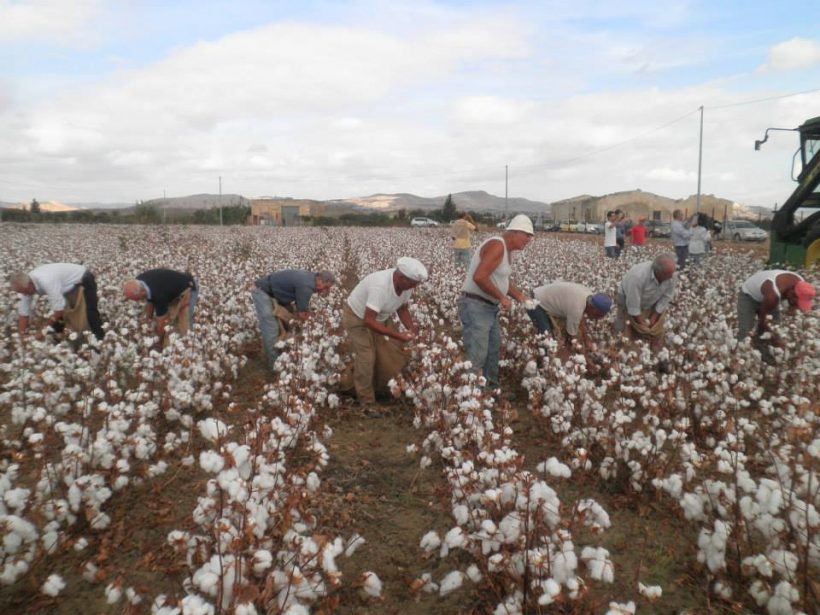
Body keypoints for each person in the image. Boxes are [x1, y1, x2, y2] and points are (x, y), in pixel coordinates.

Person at [459, 214, 533, 389]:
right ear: (515, 232)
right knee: (477, 354)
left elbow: (502, 280)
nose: (528, 240)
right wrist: (501, 297)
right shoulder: (497, 245)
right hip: (476, 306)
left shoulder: (506, 250)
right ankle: (469, 396)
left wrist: (520, 296)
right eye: (526, 235)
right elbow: (479, 277)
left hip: (488, 308)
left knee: (493, 350)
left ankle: (490, 390)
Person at [343, 257, 427, 407]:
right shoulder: (380, 287)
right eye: (412, 283)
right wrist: (397, 335)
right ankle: (366, 400)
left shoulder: (406, 286)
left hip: (380, 317)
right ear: (401, 277)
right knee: (367, 358)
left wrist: (411, 329)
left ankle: (380, 387)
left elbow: (403, 308)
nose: (414, 287)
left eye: (416, 284)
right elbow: (368, 321)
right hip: (357, 318)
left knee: (388, 353)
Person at [251, 269, 336, 367]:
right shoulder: (307, 286)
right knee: (272, 328)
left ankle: (281, 351)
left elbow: (300, 305)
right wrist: (312, 322)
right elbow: (302, 314)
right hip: (262, 292)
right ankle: (274, 365)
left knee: (285, 320)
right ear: (320, 280)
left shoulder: (311, 278)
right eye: (326, 287)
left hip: (271, 292)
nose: (326, 290)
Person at [11, 263, 104, 341]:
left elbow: (59, 310)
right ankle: (61, 339)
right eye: (21, 292)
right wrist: (22, 336)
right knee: (60, 319)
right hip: (67, 286)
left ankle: (100, 340)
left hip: (83, 278)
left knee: (90, 312)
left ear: (30, 284)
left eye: (25, 291)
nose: (24, 294)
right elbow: (24, 314)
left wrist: (42, 331)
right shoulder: (26, 286)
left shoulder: (46, 281)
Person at [526, 282, 612, 353]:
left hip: (542, 296)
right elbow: (572, 337)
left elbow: (580, 320)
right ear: (594, 309)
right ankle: (542, 362)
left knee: (552, 337)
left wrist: (586, 340)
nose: (597, 319)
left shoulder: (589, 296)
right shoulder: (576, 309)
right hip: (535, 303)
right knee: (547, 340)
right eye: (598, 316)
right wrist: (584, 356)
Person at [614, 254, 677, 350]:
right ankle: (621, 342)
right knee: (623, 322)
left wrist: (654, 316)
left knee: (653, 325)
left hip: (651, 298)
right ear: (658, 272)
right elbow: (633, 304)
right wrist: (641, 323)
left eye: (672, 274)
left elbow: (666, 296)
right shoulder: (638, 276)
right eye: (668, 275)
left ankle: (650, 341)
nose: (671, 277)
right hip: (627, 296)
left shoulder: (671, 275)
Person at [737, 270, 815, 342]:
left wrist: (791, 308)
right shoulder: (773, 295)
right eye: (796, 303)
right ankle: (743, 347)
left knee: (776, 326)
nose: (797, 306)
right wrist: (764, 327)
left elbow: (788, 299)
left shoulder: (801, 283)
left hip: (768, 294)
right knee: (746, 330)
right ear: (791, 293)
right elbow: (762, 319)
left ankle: (764, 346)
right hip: (748, 296)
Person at [123, 269, 199, 340]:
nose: (137, 301)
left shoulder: (159, 295)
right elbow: (149, 299)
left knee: (185, 324)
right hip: (170, 284)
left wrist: (158, 339)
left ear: (142, 292)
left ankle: (190, 340)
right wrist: (147, 320)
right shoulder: (139, 280)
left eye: (137, 299)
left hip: (189, 286)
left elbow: (162, 319)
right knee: (167, 312)